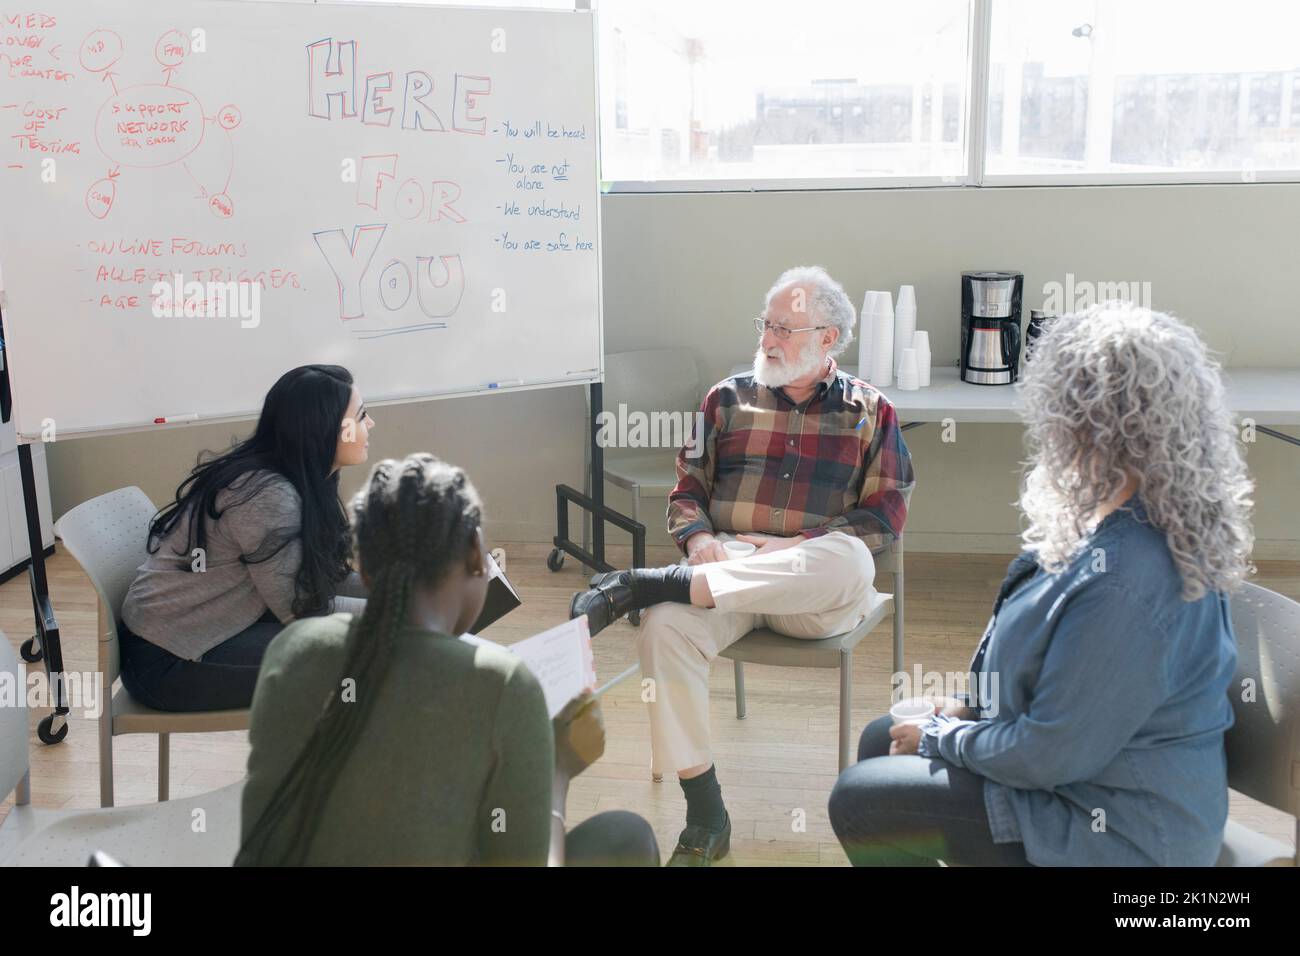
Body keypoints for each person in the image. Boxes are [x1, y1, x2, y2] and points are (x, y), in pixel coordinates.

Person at [828, 302, 1254, 866]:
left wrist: (940, 737)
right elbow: (1061, 686)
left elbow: (1053, 754)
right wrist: (967, 708)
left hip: (1120, 832)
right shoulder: (1116, 520)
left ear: (1088, 422)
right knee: (883, 738)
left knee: (863, 801)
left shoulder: (1127, 579)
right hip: (1087, 778)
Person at [570, 265, 915, 865]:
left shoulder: (871, 412)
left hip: (810, 584)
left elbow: (884, 517)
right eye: (766, 324)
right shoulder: (726, 399)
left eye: (784, 328)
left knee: (851, 561)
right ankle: (706, 814)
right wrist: (700, 540)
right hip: (724, 572)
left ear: (827, 338)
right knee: (663, 628)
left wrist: (803, 544)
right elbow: (685, 493)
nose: (767, 340)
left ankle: (646, 584)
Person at [236, 453, 659, 867]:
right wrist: (558, 770)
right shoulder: (504, 686)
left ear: (364, 574)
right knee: (627, 837)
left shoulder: (292, 649)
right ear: (478, 560)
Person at [119, 364, 373, 712]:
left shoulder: (303, 478)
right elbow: (303, 611)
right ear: (324, 429)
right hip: (167, 661)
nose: (370, 424)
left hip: (209, 629)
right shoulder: (267, 496)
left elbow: (324, 581)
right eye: (360, 416)